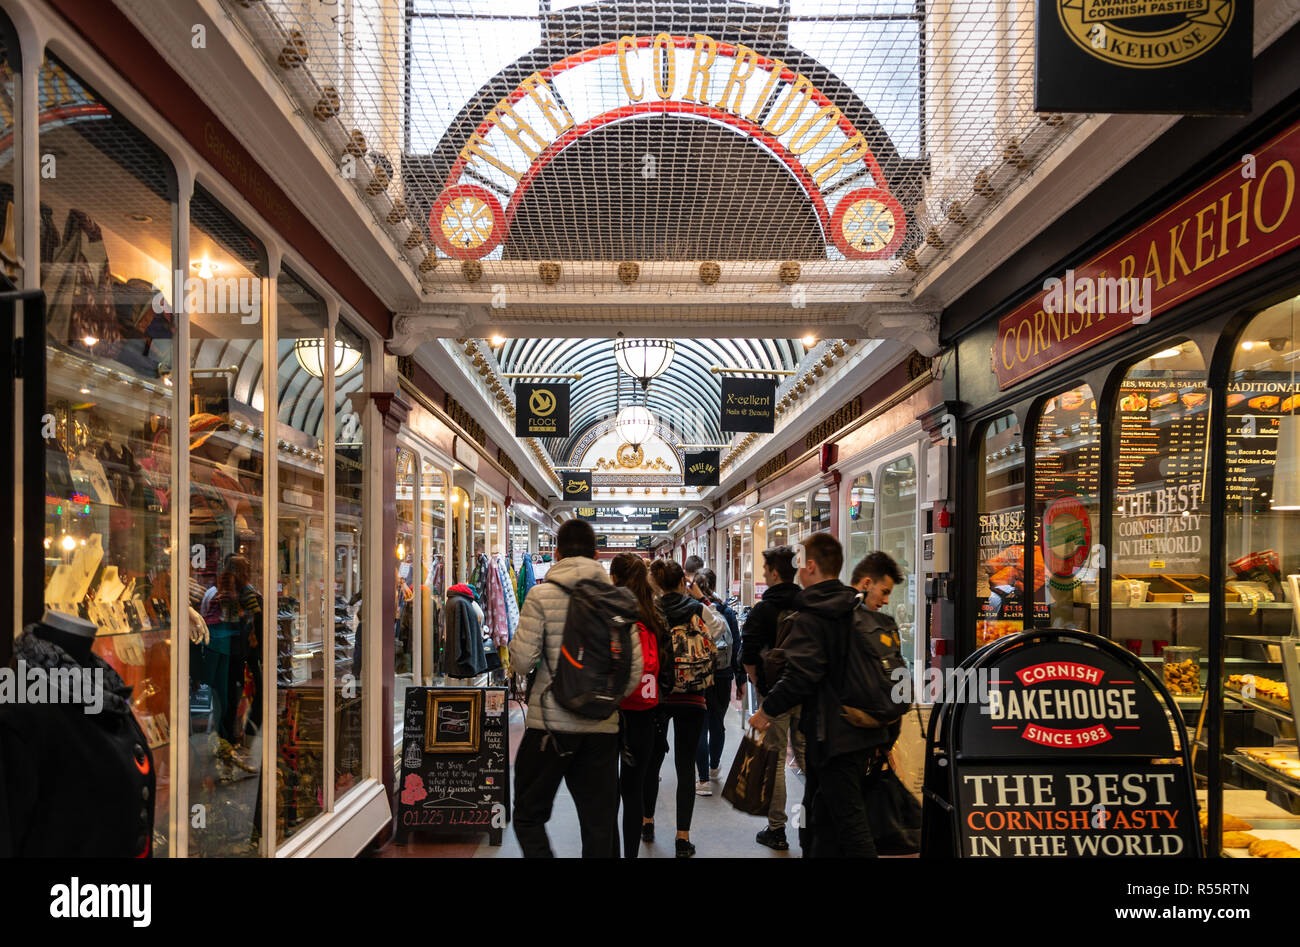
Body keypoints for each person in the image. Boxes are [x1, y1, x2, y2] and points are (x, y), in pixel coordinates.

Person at [749, 532, 895, 858]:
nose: (797, 569)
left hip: (832, 738)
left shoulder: (815, 614)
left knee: (850, 826)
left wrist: (766, 711)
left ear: (811, 565)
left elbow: (801, 675)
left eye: (801, 563)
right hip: (860, 734)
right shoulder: (857, 609)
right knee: (820, 818)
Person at [510, 520, 643, 858]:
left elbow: (522, 662)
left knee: (528, 814)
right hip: (602, 729)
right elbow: (634, 670)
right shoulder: (618, 600)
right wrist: (606, 702)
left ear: (556, 553)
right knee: (600, 824)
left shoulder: (540, 595)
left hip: (548, 729)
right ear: (597, 554)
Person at [644, 560, 725, 857]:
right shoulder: (696, 608)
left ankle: (647, 822)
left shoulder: (652, 610)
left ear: (657, 584)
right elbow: (719, 632)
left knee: (652, 762)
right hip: (692, 694)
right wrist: (699, 598)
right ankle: (682, 837)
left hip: (659, 695)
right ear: (683, 582)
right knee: (685, 765)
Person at [740, 545, 804, 851]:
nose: (764, 575)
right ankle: (816, 824)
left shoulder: (763, 609)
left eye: (766, 570)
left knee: (776, 760)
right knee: (808, 758)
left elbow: (748, 652)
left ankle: (777, 828)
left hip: (774, 695)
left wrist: (756, 682)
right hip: (806, 691)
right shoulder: (809, 605)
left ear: (776, 572)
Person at [609, 553, 670, 858]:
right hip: (646, 715)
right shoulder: (655, 618)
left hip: (609, 714)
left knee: (608, 793)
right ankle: (631, 853)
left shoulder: (609, 614)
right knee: (634, 792)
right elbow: (667, 673)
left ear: (614, 579)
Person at [694, 569, 741, 796]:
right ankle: (714, 767)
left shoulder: (692, 609)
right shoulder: (726, 611)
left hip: (698, 675)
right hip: (723, 674)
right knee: (717, 723)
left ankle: (702, 781)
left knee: (700, 726)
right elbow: (737, 647)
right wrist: (739, 679)